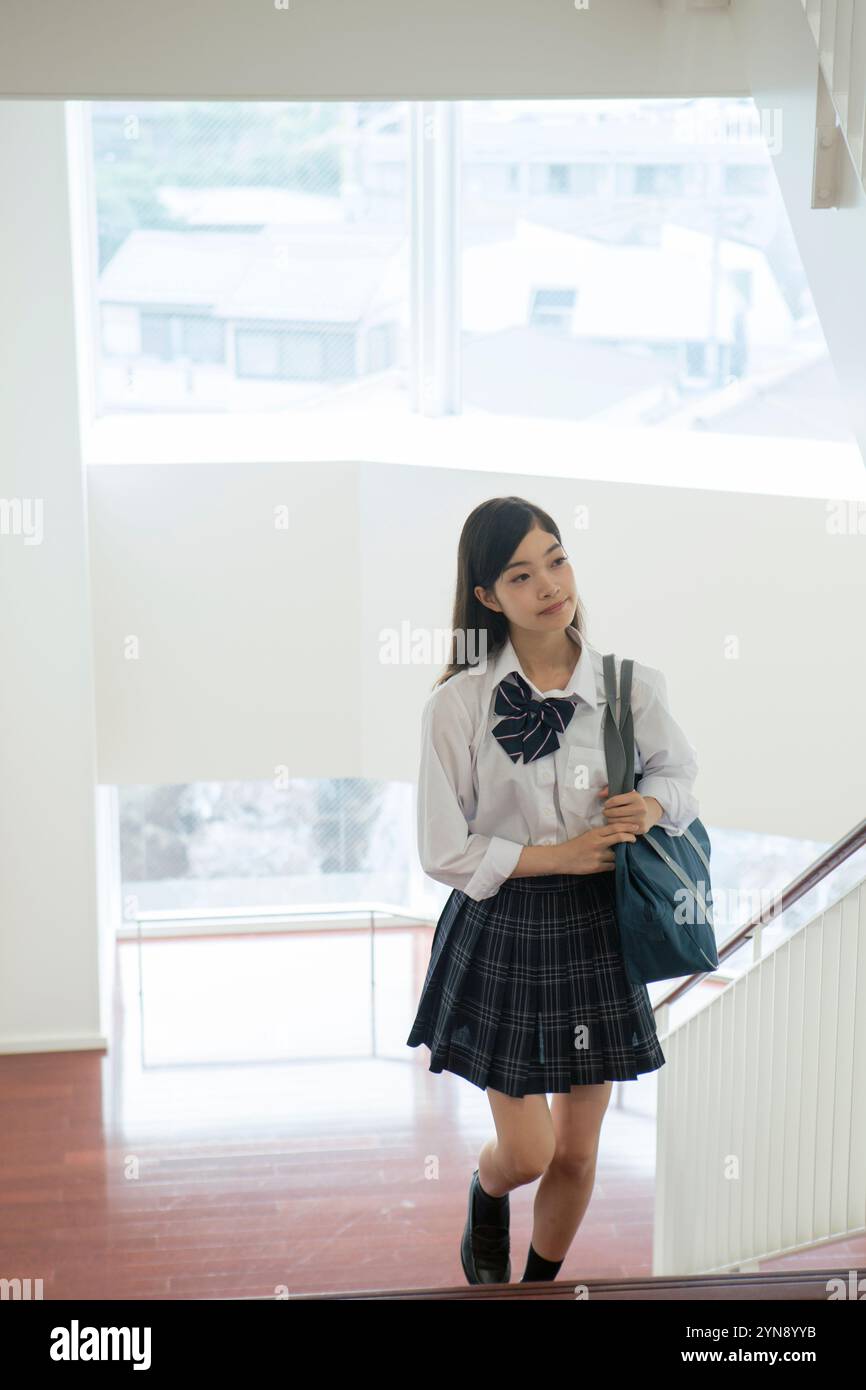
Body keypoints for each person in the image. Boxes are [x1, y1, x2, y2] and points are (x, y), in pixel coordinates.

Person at [405, 495, 700, 1287]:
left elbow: (683, 782)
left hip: (599, 928)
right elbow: (443, 851)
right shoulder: (458, 704)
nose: (549, 585)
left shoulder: (628, 686)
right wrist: (559, 856)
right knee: (529, 1152)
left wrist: (654, 804)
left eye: (557, 560)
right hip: (505, 924)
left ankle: (534, 1289)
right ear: (486, 597)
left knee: (575, 1151)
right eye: (521, 573)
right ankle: (487, 1185)